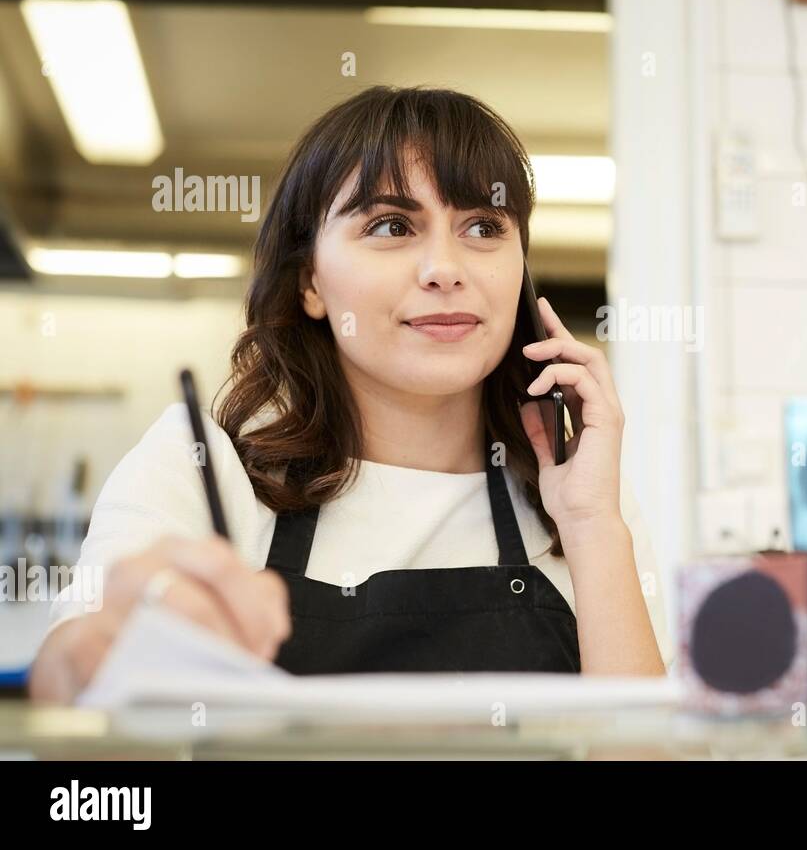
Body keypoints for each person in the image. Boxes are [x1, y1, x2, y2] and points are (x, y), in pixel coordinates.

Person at [28, 86, 670, 703]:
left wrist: (593, 528)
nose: (446, 268)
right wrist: (112, 636)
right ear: (310, 282)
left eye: (483, 227)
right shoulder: (204, 470)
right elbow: (67, 698)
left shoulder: (580, 498)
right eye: (392, 226)